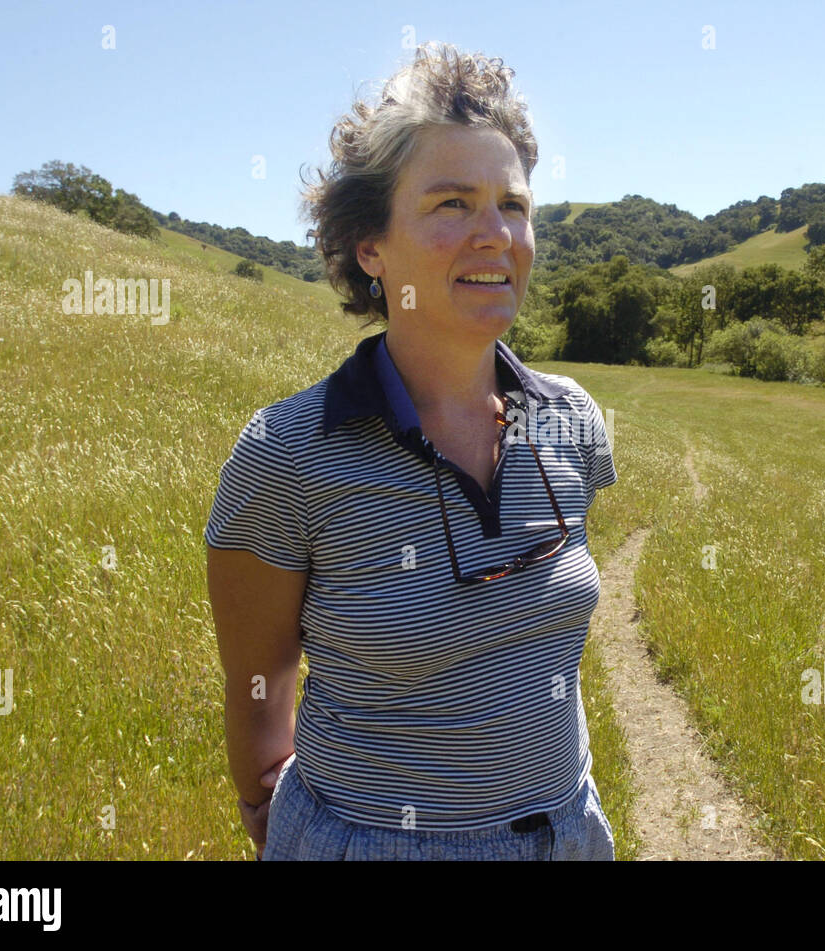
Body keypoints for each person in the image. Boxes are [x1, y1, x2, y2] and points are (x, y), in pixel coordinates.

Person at [204, 42, 618, 860]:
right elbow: (259, 687)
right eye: (453, 204)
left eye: (514, 204)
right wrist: (283, 812)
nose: (496, 233)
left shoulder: (573, 422)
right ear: (370, 247)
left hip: (566, 835)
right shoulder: (285, 456)